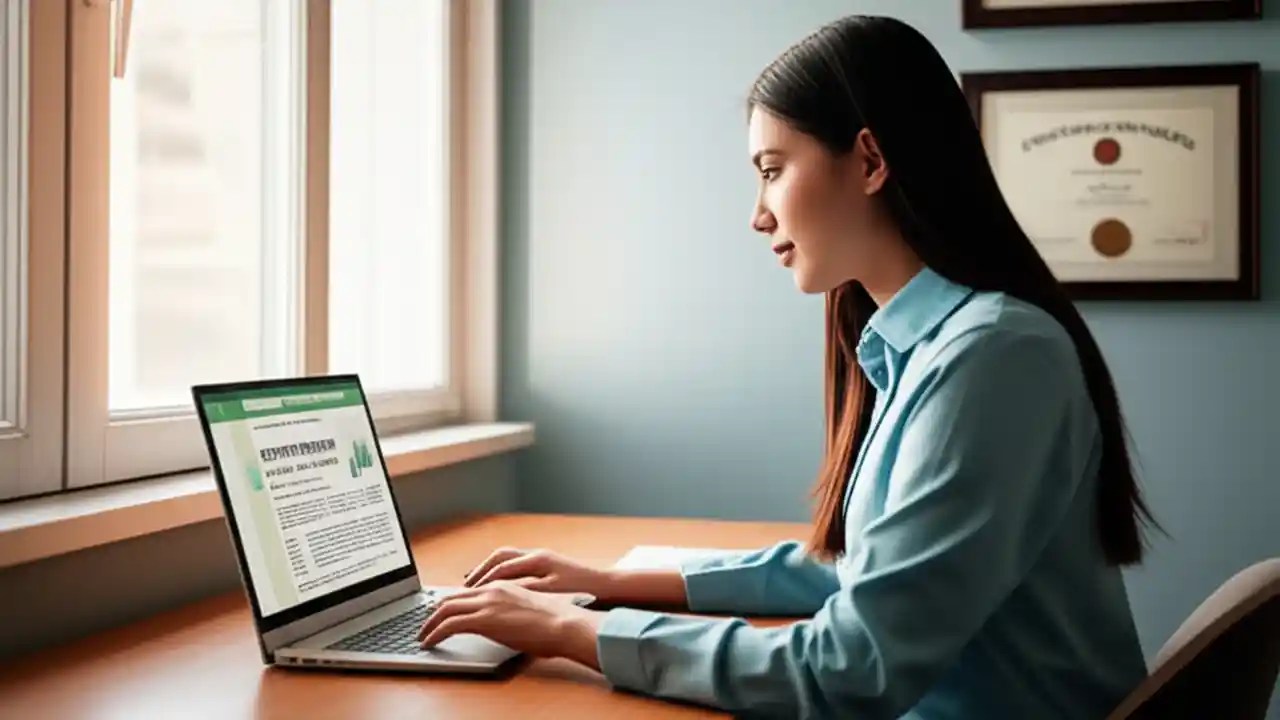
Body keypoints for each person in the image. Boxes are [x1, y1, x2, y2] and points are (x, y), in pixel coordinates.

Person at [417, 14, 1155, 719]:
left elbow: (852, 668)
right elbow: (859, 569)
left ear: (869, 161)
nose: (758, 213)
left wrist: (571, 632)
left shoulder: (994, 357)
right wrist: (609, 584)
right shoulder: (931, 348)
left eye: (771, 170)